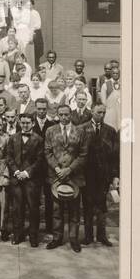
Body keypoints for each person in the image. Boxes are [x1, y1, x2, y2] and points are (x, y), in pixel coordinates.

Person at [44, 102, 87, 252]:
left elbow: (83, 154)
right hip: (56, 176)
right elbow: (47, 152)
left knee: (74, 210)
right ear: (57, 115)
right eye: (61, 114)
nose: (63, 117)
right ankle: (57, 238)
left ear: (71, 115)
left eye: (66, 114)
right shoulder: (50, 131)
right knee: (57, 210)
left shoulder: (80, 131)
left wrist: (69, 169)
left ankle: (74, 239)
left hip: (74, 176)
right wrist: (57, 168)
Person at [81, 103, 119, 247]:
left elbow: (114, 156)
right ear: (92, 111)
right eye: (98, 112)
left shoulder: (110, 131)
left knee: (102, 206)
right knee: (88, 205)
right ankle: (88, 236)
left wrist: (114, 176)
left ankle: (102, 236)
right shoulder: (82, 129)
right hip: (87, 175)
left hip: (104, 175)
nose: (101, 115)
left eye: (103, 112)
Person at [6, 111, 45, 247]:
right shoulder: (13, 138)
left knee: (33, 208)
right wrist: (16, 172)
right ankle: (18, 235)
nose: (25, 125)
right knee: (17, 208)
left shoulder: (39, 139)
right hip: (16, 179)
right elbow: (9, 157)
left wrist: (27, 173)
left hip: (31, 180)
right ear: (19, 123)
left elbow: (40, 160)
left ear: (33, 123)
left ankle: (33, 237)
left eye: (28, 123)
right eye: (23, 123)